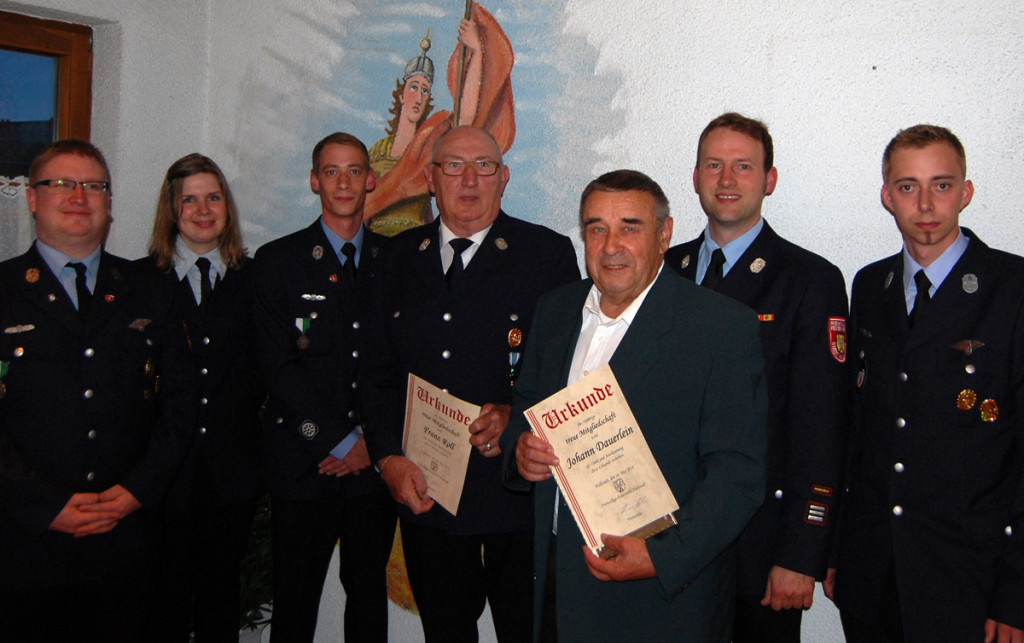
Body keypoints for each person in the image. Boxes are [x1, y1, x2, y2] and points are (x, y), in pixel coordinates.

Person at [502, 169, 767, 642]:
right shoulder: (555, 310)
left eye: (630, 226)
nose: (611, 245)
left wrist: (662, 556)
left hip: (658, 600)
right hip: (557, 583)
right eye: (596, 228)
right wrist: (519, 451)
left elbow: (737, 476)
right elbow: (523, 408)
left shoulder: (720, 327)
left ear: (664, 235)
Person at [361, 125, 579, 642]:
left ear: (503, 178)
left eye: (483, 166)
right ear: (431, 178)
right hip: (427, 491)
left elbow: (568, 369)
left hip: (515, 492)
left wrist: (515, 413)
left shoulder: (545, 254)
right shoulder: (394, 258)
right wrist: (388, 458)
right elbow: (375, 372)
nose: (469, 180)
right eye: (453, 166)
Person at [827, 124, 1024, 642]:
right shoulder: (871, 285)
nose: (926, 203)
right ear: (888, 197)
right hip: (871, 573)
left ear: (966, 191)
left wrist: (1016, 593)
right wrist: (834, 550)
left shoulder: (1012, 289)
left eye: (941, 184)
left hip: (969, 579)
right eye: (908, 186)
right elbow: (857, 430)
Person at [663, 113, 849, 642]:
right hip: (664, 544)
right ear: (695, 176)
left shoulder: (809, 281)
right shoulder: (659, 273)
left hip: (761, 553)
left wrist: (802, 554)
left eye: (743, 167)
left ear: (769, 179)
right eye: (714, 165)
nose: (726, 180)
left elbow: (822, 426)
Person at [0, 139, 194, 642]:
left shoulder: (150, 289)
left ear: (109, 204)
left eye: (93, 186)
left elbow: (179, 404)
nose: (78, 196)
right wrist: (44, 506)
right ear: (32, 198)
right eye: (60, 184)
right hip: (24, 548)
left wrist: (136, 492)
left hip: (125, 547)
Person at [252, 133, 396, 642]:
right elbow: (277, 369)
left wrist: (369, 445)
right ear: (315, 181)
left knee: (367, 599)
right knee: (295, 603)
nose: (343, 182)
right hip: (304, 460)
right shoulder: (277, 262)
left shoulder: (394, 261)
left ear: (371, 180)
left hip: (372, 470)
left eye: (354, 170)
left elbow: (398, 363)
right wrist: (341, 441)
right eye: (331, 171)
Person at [138, 153, 263, 642]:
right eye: (189, 200)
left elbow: (262, 371)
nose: (203, 209)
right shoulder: (139, 282)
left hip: (232, 474)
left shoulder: (254, 279)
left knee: (220, 601)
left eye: (213, 197)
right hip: (163, 475)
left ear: (227, 208)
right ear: (172, 210)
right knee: (162, 602)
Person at [364, 3, 515, 236]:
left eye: (425, 90)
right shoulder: (377, 152)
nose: (419, 96)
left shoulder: (429, 141)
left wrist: (476, 52)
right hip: (377, 251)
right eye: (414, 87)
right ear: (402, 94)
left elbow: (464, 122)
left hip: (415, 247)